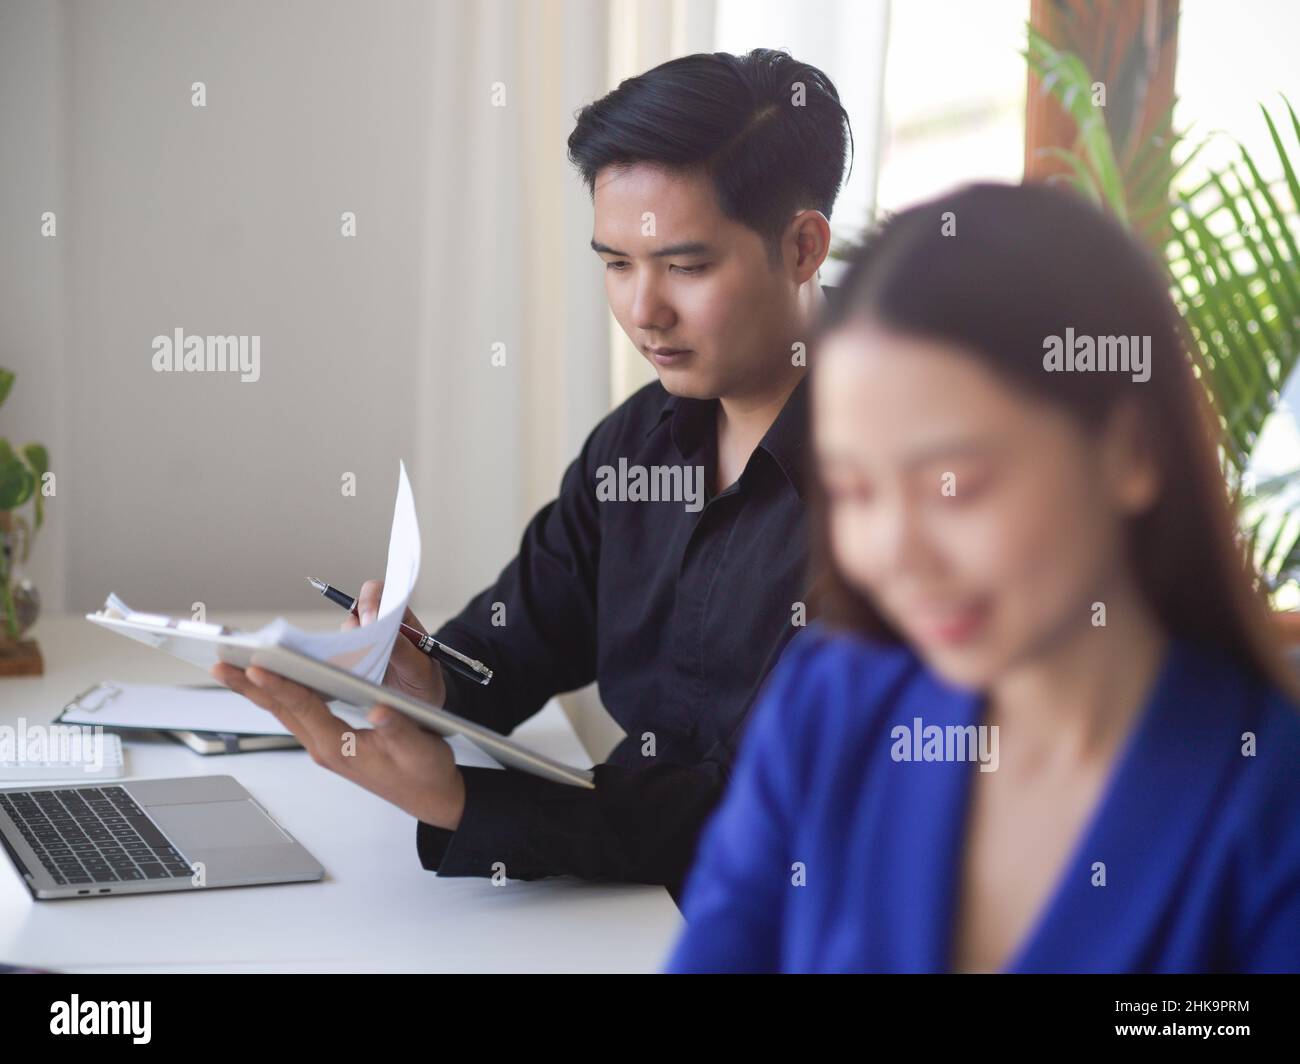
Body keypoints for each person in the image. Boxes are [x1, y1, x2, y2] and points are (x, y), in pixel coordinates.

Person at [211, 48, 852, 896]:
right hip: (634, 904)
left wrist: (461, 803)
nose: (642, 311)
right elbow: (523, 632)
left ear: (803, 246)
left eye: (686, 267)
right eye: (616, 264)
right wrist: (422, 675)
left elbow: (761, 809)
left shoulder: (895, 492)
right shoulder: (639, 441)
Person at [668, 182, 1300, 972]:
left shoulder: (1268, 803)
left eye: (955, 485)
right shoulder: (827, 706)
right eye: (855, 490)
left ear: (1130, 453)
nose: (895, 553)